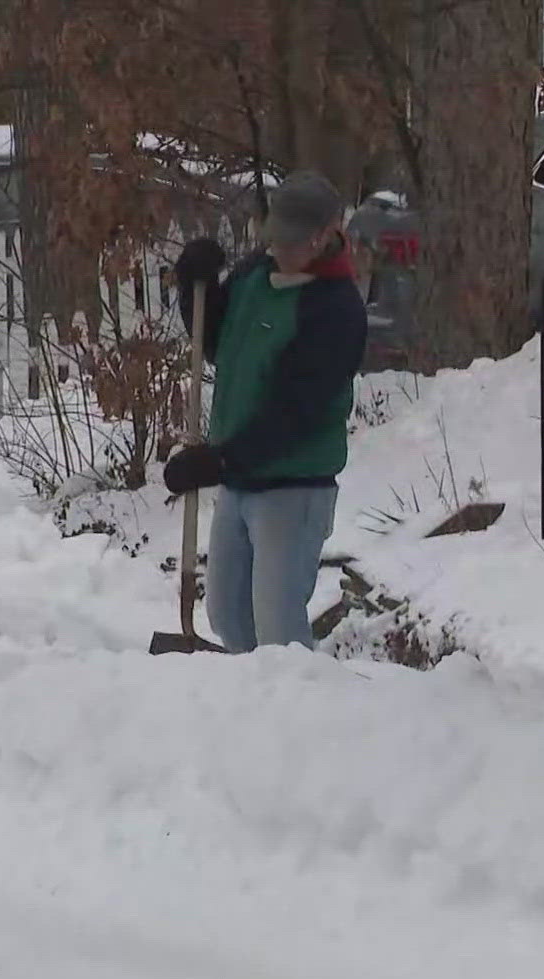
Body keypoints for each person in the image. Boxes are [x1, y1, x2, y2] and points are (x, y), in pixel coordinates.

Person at [165, 171, 368, 653]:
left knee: (278, 633)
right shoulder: (256, 274)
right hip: (240, 481)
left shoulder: (334, 309)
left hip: (294, 488)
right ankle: (251, 720)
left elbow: (298, 412)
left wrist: (221, 460)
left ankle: (302, 718)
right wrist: (197, 286)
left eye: (291, 242)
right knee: (228, 617)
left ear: (322, 238)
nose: (277, 249)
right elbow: (217, 343)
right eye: (273, 238)